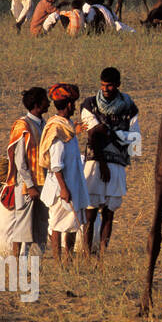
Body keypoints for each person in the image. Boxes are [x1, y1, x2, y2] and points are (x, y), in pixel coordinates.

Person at [0, 86, 50, 259]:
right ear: (37, 104)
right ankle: (17, 259)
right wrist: (30, 185)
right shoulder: (23, 126)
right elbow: (20, 162)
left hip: (43, 181)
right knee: (23, 224)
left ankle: (34, 260)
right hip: (25, 183)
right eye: (45, 99)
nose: (48, 102)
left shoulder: (42, 124)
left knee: (40, 222)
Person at [78, 67, 140, 256]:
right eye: (103, 85)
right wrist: (118, 137)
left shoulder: (129, 105)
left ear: (118, 85)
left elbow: (135, 140)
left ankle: (102, 254)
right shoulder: (89, 104)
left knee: (109, 214)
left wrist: (110, 133)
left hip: (118, 164)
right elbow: (93, 134)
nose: (105, 89)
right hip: (95, 164)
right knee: (90, 214)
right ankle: (88, 254)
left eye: (110, 85)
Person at [41, 84, 89, 263]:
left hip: (72, 184)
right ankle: (58, 259)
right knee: (56, 225)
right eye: (73, 104)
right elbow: (56, 165)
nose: (75, 108)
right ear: (68, 105)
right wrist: (64, 189)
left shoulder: (67, 127)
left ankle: (67, 257)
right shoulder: (57, 131)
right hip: (60, 187)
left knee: (70, 224)